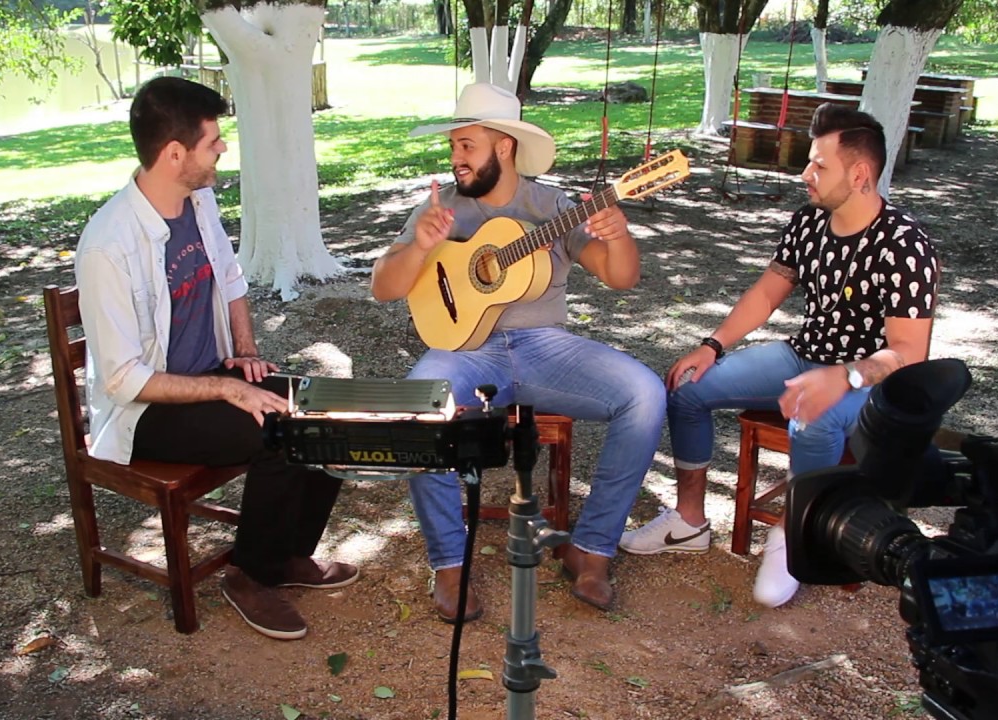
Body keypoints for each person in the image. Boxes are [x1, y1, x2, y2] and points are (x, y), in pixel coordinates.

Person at [620, 103, 939, 608]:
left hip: (873, 384)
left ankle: (796, 530)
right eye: (809, 162)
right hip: (803, 356)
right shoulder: (810, 221)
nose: (805, 175)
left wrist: (845, 378)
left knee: (812, 416)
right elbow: (767, 294)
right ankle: (689, 520)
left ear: (860, 175)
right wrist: (711, 345)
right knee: (687, 386)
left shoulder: (904, 243)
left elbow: (908, 354)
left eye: (819, 166)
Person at [74, 76, 356, 641]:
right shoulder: (108, 245)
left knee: (327, 408)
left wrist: (245, 355)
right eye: (213, 140)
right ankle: (249, 575)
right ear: (174, 154)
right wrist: (230, 390)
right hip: (146, 411)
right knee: (275, 429)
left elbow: (229, 279)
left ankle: (285, 557)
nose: (223, 147)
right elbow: (125, 378)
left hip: (208, 378)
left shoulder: (196, 200)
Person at [371, 83, 666, 619]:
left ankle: (592, 547)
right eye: (455, 145)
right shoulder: (440, 209)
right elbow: (384, 287)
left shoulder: (552, 207)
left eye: (467, 146)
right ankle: (450, 563)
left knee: (645, 395)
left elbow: (620, 277)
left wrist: (618, 234)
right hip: (467, 351)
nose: (456, 158)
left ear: (503, 146)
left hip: (545, 347)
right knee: (418, 401)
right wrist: (419, 246)